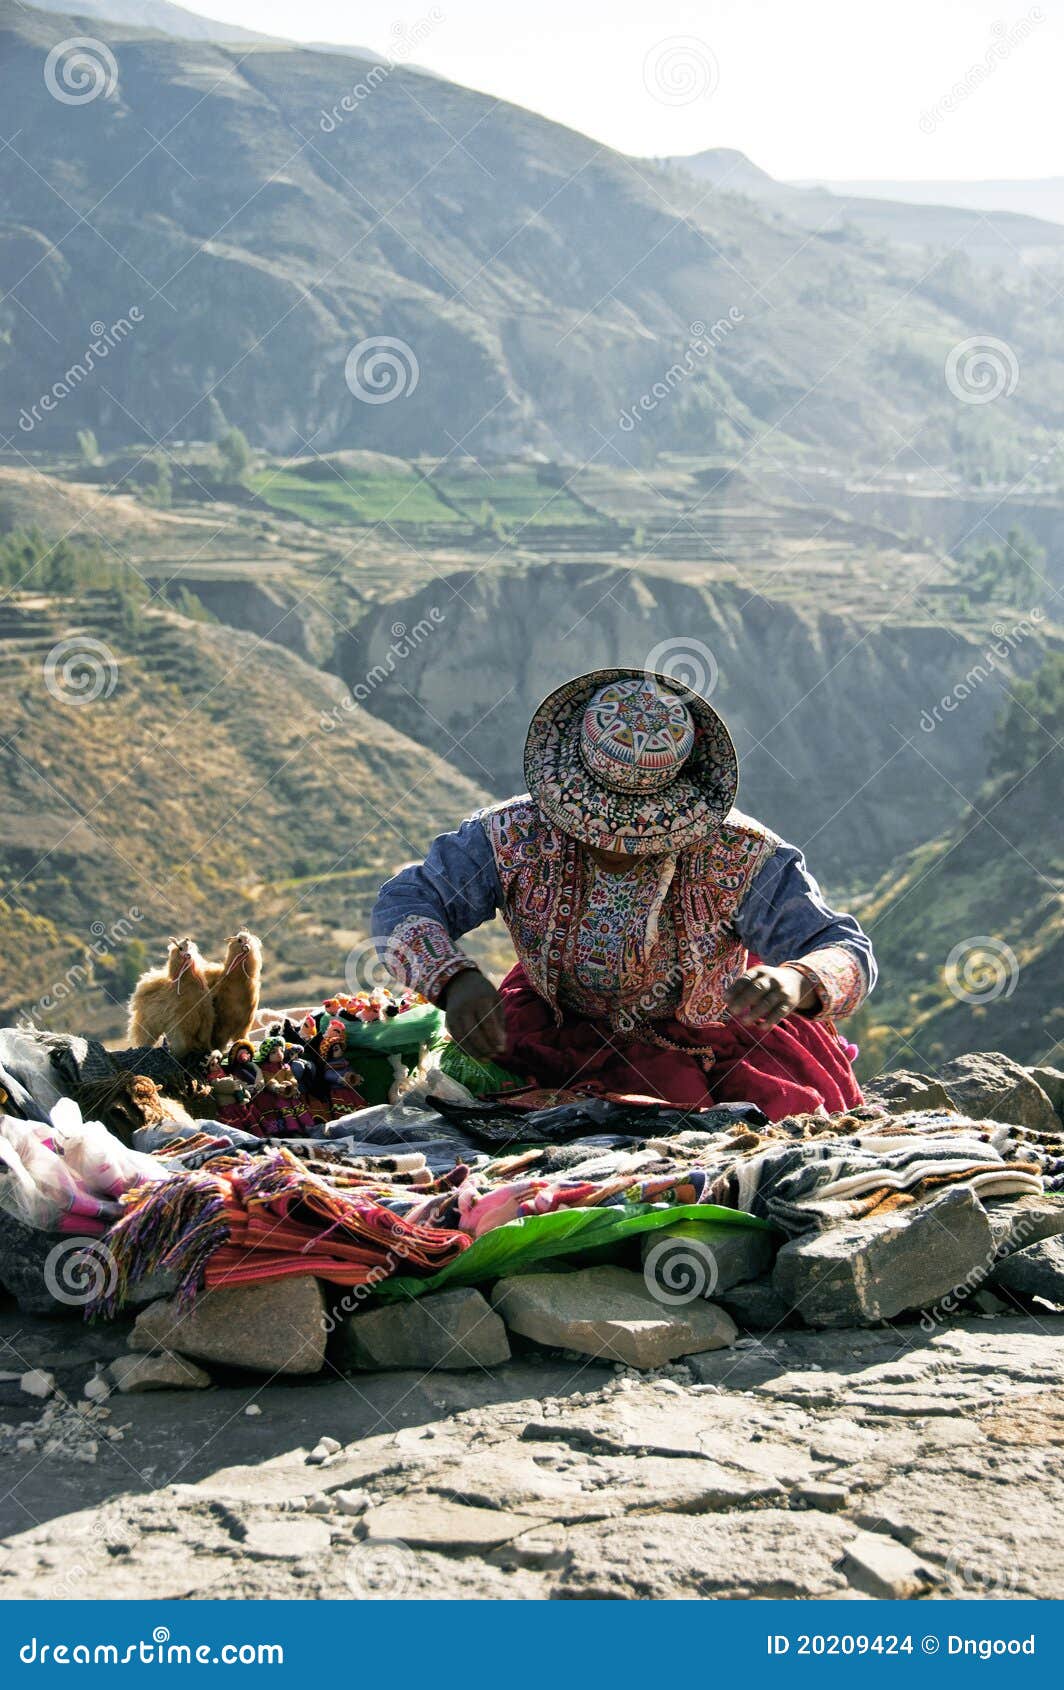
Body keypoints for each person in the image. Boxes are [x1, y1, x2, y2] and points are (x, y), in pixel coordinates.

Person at [371, 669, 876, 1118]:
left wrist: (794, 980)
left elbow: (844, 948)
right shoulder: (513, 835)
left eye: (639, 834)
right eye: (590, 827)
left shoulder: (741, 854)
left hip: (710, 1042)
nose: (614, 845)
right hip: (554, 1026)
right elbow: (408, 902)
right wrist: (453, 979)